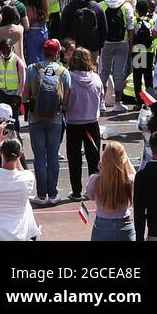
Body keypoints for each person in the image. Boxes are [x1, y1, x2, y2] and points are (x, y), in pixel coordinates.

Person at [25, 38, 72, 206]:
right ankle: (53, 194)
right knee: (53, 156)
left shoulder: (33, 68)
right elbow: (66, 99)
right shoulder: (63, 71)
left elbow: (25, 95)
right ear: (57, 53)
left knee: (39, 157)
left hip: (35, 118)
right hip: (56, 118)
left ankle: (41, 194)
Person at [63, 46, 104, 201]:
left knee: (74, 158)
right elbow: (100, 97)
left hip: (74, 123)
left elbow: (65, 100)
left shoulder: (69, 77)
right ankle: (93, 190)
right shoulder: (96, 78)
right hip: (92, 122)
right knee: (94, 157)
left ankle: (76, 191)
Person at [86, 140, 136, 241]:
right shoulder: (129, 180)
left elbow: (90, 196)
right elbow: (136, 176)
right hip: (124, 224)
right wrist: (126, 161)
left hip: (102, 226)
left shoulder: (95, 179)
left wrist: (103, 170)